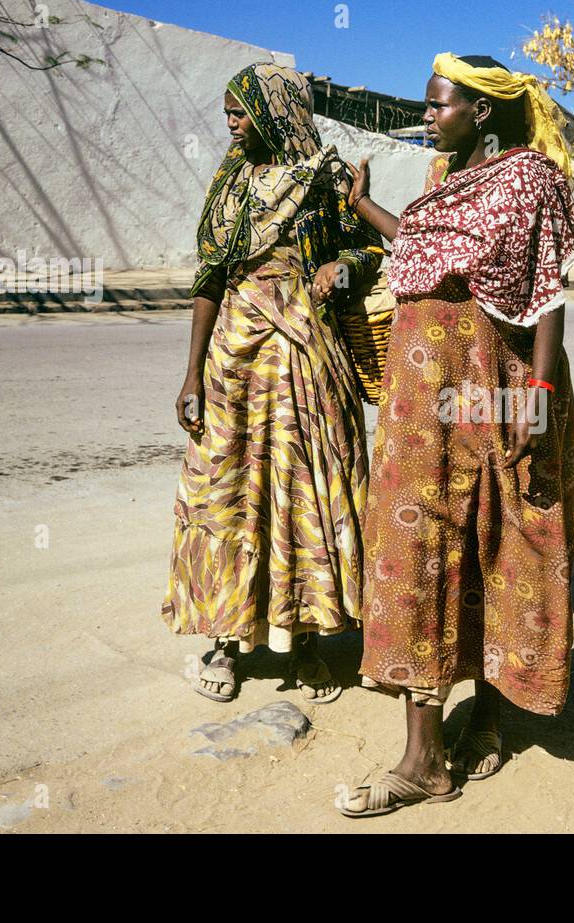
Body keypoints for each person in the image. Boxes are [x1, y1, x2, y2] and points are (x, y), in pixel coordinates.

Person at [336, 53, 574, 817]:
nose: (427, 116)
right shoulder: (443, 183)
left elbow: (548, 292)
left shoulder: (530, 178)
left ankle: (489, 715)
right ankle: (423, 756)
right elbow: (420, 247)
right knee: (414, 552)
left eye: (439, 105)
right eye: (428, 104)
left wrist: (536, 401)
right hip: (420, 402)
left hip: (496, 385)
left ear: (482, 110)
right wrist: (363, 209)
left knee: (498, 544)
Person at [161, 63, 383, 705]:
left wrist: (340, 268)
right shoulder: (230, 182)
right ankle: (225, 639)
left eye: (240, 112)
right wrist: (192, 371)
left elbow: (371, 253)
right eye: (229, 112)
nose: (231, 123)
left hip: (307, 354)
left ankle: (306, 636)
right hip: (235, 354)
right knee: (228, 488)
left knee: (305, 489)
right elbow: (208, 279)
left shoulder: (326, 180)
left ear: (276, 113)